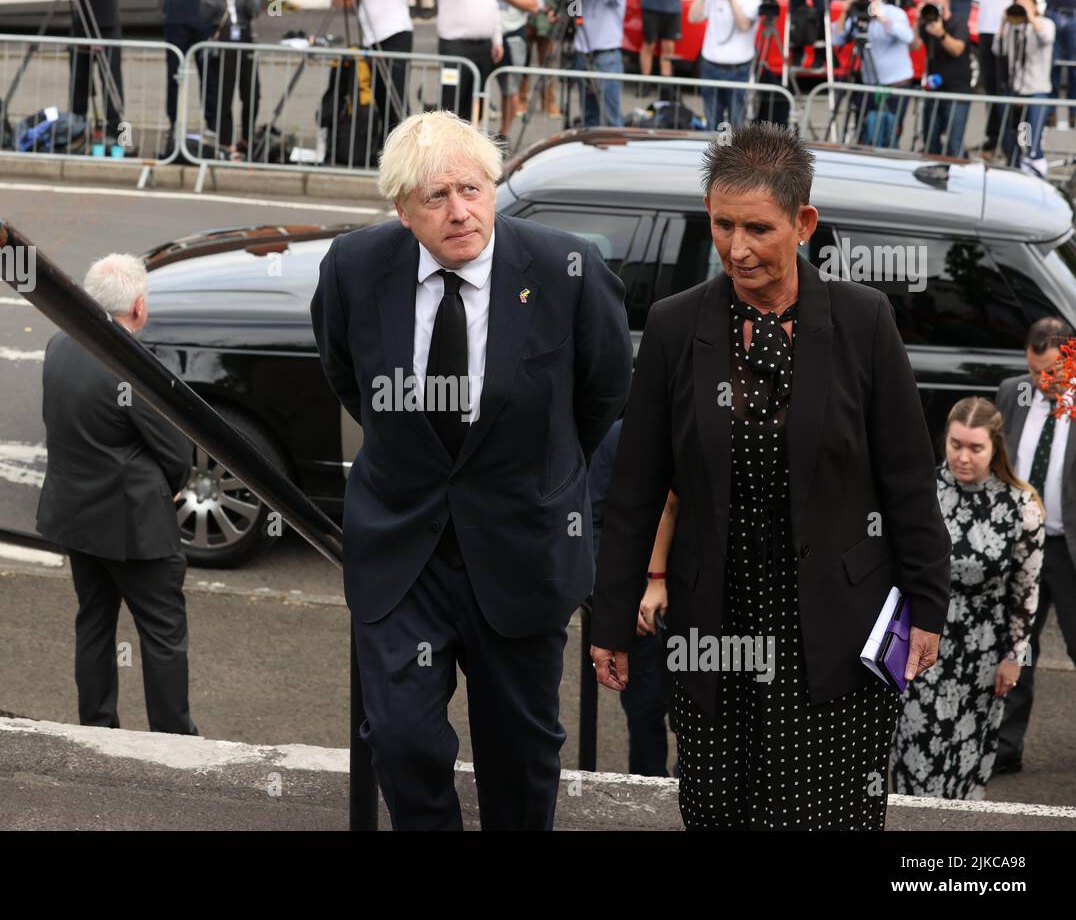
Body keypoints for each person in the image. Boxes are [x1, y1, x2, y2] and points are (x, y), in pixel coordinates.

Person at [591, 122, 950, 830]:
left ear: (803, 222)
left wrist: (928, 609)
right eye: (722, 225)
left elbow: (908, 480)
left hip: (834, 635)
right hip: (713, 630)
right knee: (719, 811)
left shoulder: (862, 321)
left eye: (757, 228)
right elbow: (635, 490)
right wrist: (611, 621)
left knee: (827, 816)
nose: (736, 247)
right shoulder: (673, 325)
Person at [310, 110, 633, 829]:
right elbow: (346, 376)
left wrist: (539, 470)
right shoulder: (356, 268)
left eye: (473, 189)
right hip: (404, 549)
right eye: (436, 197)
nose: (461, 211)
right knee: (399, 739)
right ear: (401, 210)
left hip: (522, 548)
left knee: (518, 755)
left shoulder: (566, 270)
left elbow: (605, 392)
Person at [37, 254, 199, 736]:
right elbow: (177, 453)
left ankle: (97, 725)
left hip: (76, 518)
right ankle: (172, 738)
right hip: (136, 528)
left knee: (93, 625)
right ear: (139, 307)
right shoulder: (133, 366)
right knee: (162, 636)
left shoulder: (58, 344)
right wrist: (165, 491)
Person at [890, 398, 1042, 799]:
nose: (963, 456)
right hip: (919, 643)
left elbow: (1025, 593)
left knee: (965, 763)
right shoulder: (919, 490)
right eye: (955, 444)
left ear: (995, 448)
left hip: (982, 653)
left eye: (975, 448)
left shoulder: (1021, 507)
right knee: (914, 758)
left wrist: (1015, 658)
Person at [996, 317, 1076, 774]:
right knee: (1016, 648)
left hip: (1068, 548)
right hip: (1022, 546)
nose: (1040, 383)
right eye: (1033, 372)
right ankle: (1007, 747)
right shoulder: (1011, 393)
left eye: (1051, 374)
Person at [589, 417, 676, 777]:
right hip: (639, 611)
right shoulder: (617, 438)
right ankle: (650, 795)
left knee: (705, 719)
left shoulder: (708, 428)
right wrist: (621, 597)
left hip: (697, 601)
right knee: (643, 715)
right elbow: (594, 523)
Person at [832, 0, 916, 147]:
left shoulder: (893, 12)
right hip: (869, 85)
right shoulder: (857, 16)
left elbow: (908, 36)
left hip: (896, 84)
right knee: (867, 130)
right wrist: (845, 11)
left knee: (891, 130)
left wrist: (882, 18)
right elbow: (836, 39)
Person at [962, 0, 1035, 156]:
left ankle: (1015, 140)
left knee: (1009, 87)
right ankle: (993, 137)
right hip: (986, 26)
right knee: (990, 86)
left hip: (1009, 28)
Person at [689, 0, 760, 129]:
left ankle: (733, 154)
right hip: (710, 67)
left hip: (738, 70)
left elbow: (744, 25)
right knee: (713, 122)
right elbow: (693, 17)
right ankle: (714, 153)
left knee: (736, 123)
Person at [993, 0, 1054, 176]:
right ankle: (1016, 167)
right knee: (1009, 133)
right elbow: (997, 50)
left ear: (1035, 6)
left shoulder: (1045, 23)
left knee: (1031, 138)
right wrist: (1003, 23)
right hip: (1015, 90)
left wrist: (1031, 18)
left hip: (1036, 90)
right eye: (1020, 5)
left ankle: (1036, 166)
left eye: (1027, 5)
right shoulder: (1013, 26)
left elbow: (1046, 38)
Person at [350, 0, 415, 140]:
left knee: (395, 99)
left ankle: (404, 149)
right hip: (371, 36)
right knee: (380, 97)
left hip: (394, 33)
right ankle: (386, 146)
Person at [201, 0, 260, 157]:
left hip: (245, 41)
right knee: (224, 95)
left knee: (251, 93)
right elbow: (205, 15)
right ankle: (226, 142)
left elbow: (255, 12)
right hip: (223, 43)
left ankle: (247, 138)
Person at [159, 0, 216, 158]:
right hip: (177, 15)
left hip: (205, 17)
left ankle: (212, 125)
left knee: (209, 75)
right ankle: (174, 124)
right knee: (174, 75)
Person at [910, 0, 972, 158]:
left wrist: (941, 33)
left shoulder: (958, 22)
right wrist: (917, 21)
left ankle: (960, 180)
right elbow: (914, 46)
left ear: (945, 2)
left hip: (957, 91)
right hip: (934, 89)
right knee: (931, 141)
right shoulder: (926, 24)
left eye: (933, 3)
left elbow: (957, 49)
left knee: (954, 143)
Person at [66, 0, 126, 148]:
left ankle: (116, 132)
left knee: (110, 80)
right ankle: (77, 127)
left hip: (105, 19)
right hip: (81, 19)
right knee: (79, 78)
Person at [435, 0, 503, 121]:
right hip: (455, 46)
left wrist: (497, 38)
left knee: (477, 102)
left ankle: (469, 142)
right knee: (451, 103)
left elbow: (493, 6)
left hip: (484, 45)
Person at [495, 0, 544, 141]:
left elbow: (534, 5)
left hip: (513, 35)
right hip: (485, 36)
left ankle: (503, 135)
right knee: (477, 86)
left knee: (511, 89)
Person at [573, 0, 627, 127]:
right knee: (589, 115)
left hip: (606, 55)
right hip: (582, 52)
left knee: (611, 115)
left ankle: (617, 150)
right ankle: (591, 148)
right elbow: (572, 13)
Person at [641, 0, 693, 90]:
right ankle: (645, 83)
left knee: (668, 47)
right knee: (649, 45)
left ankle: (666, 87)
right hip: (651, 7)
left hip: (672, 7)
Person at [1046, 0, 1076, 129]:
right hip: (1053, 12)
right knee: (1051, 66)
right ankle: (1049, 112)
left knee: (1074, 69)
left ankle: (1074, 113)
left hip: (1074, 16)